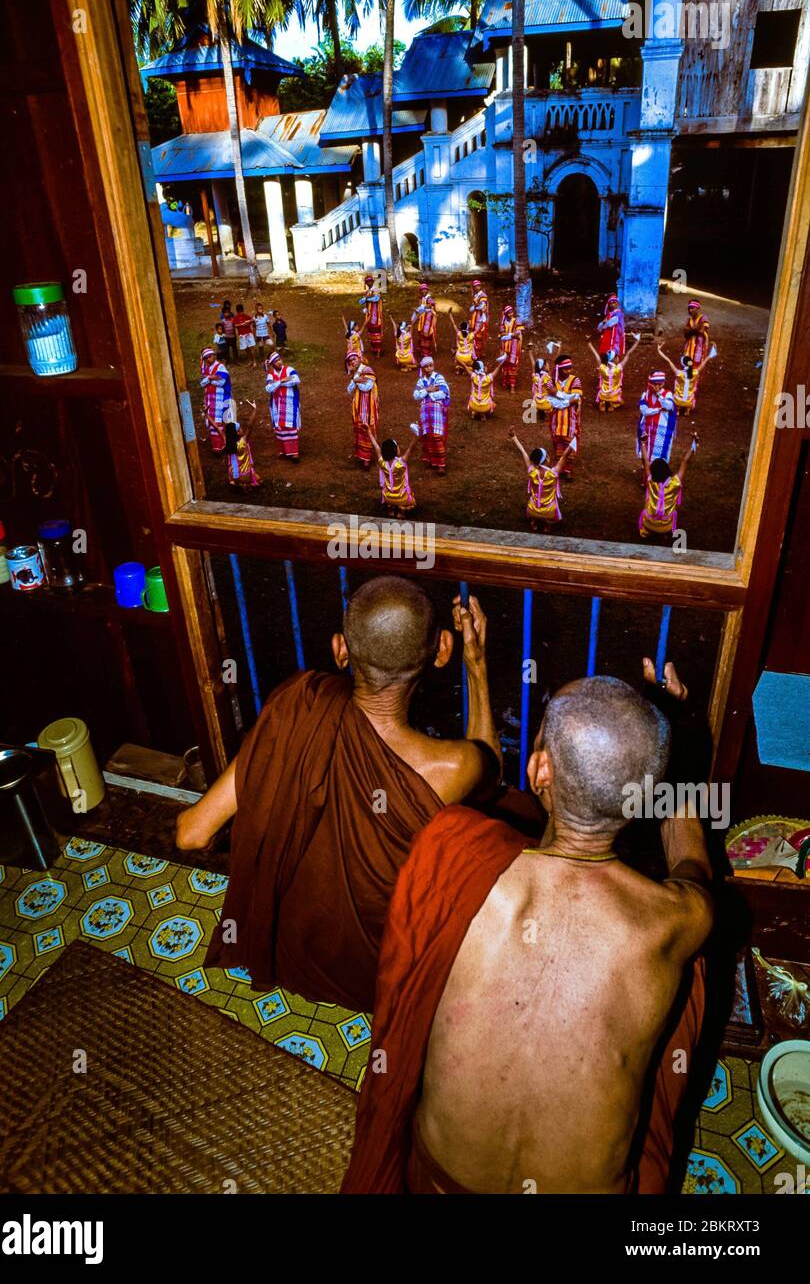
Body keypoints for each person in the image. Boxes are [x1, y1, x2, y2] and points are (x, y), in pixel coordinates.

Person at [341, 667, 712, 1194]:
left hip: (441, 1183)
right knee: (693, 969)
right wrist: (674, 733)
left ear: (540, 769)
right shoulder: (676, 920)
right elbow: (691, 861)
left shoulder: (453, 851)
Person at [178, 579, 502, 1013]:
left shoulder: (300, 707)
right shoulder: (453, 768)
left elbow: (192, 835)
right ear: (443, 650)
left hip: (288, 956)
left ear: (340, 650)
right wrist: (477, 667)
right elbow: (491, 774)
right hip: (377, 981)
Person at [507, 430, 571, 531]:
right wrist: (572, 444)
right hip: (550, 512)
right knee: (552, 508)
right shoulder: (553, 473)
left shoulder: (531, 471)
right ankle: (547, 525)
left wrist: (514, 437)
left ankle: (534, 521)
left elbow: (522, 452)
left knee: (534, 504)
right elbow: (564, 456)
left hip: (532, 509)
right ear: (546, 459)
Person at [639, 438, 696, 540]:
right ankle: (664, 532)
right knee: (670, 515)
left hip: (648, 523)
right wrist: (694, 444)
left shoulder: (651, 481)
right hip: (667, 527)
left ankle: (650, 532)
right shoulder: (675, 483)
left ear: (653, 471)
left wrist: (643, 444)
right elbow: (685, 462)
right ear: (667, 469)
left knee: (647, 503)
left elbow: (646, 461)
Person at [367, 428, 418, 516]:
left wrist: (368, 432)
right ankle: (401, 512)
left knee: (390, 495)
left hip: (388, 497)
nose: (399, 447)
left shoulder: (382, 463)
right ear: (395, 450)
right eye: (397, 446)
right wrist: (417, 435)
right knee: (411, 498)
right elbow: (411, 448)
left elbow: (376, 447)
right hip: (402, 497)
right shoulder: (401, 463)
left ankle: (390, 509)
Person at [413, 357, 451, 474]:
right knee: (427, 436)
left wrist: (426, 392)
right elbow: (416, 395)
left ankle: (441, 464)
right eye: (426, 366)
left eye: (431, 365)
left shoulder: (439, 377)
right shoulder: (420, 380)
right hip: (425, 411)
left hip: (436, 411)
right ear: (423, 368)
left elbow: (444, 393)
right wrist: (430, 390)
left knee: (436, 436)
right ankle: (431, 460)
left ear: (433, 366)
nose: (429, 368)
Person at [657, 343, 717, 415]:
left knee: (676, 396)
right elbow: (703, 363)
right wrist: (710, 355)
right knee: (691, 396)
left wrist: (659, 350)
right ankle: (687, 410)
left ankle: (678, 410)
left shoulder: (679, 373)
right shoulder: (695, 373)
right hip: (689, 401)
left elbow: (668, 361)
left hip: (678, 401)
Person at [548, 356, 582, 478]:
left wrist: (557, 394)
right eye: (566, 369)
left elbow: (577, 398)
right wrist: (567, 399)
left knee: (569, 440)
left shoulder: (575, 380)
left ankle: (567, 469)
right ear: (559, 369)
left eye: (570, 368)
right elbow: (551, 401)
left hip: (571, 418)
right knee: (558, 441)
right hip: (556, 418)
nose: (569, 371)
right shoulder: (551, 381)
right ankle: (560, 467)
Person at [587, 333, 640, 411]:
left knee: (603, 393)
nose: (618, 358)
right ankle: (612, 403)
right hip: (614, 394)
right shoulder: (618, 369)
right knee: (619, 399)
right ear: (615, 359)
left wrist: (589, 343)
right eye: (617, 357)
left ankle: (603, 402)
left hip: (603, 394)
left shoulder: (602, 368)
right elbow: (628, 354)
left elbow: (596, 356)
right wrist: (637, 341)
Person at [637, 370, 677, 472]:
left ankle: (656, 476)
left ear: (662, 384)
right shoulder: (645, 394)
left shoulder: (667, 394)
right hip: (646, 428)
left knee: (659, 455)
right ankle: (645, 477)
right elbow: (644, 411)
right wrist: (658, 410)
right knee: (645, 452)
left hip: (661, 431)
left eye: (657, 384)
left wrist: (659, 395)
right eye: (654, 384)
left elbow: (668, 406)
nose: (654, 387)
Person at [265, 351, 301, 459]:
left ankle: (294, 452)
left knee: (290, 425)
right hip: (277, 404)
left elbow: (296, 380)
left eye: (279, 359)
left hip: (290, 402)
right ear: (272, 364)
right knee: (280, 426)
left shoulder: (289, 369)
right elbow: (268, 388)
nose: (279, 362)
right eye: (276, 361)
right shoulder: (271, 374)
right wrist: (282, 381)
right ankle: (284, 450)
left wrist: (277, 383)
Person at [347, 361, 380, 469]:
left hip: (368, 408)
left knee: (367, 429)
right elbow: (349, 389)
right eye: (350, 360)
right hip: (359, 407)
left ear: (360, 359)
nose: (353, 362)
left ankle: (367, 459)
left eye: (354, 358)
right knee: (359, 429)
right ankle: (362, 456)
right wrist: (356, 378)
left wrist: (356, 379)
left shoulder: (368, 370)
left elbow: (367, 387)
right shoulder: (357, 374)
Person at [199, 345, 231, 453]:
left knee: (218, 421)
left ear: (214, 356)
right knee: (212, 420)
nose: (209, 359)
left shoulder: (220, 367)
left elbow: (221, 382)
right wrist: (210, 378)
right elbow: (202, 383)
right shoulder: (208, 369)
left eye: (210, 356)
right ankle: (217, 445)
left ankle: (221, 445)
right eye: (206, 358)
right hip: (210, 398)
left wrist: (209, 379)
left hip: (220, 397)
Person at [224, 401, 261, 489]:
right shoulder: (243, 441)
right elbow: (250, 426)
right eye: (239, 429)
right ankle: (244, 484)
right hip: (244, 475)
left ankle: (234, 482)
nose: (242, 430)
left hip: (233, 474)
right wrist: (255, 410)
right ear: (236, 433)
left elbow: (217, 428)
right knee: (259, 480)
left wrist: (207, 415)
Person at [682, 300, 711, 376]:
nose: (690, 310)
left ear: (697, 308)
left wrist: (690, 330)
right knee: (688, 364)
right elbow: (685, 334)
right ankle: (689, 380)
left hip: (699, 346)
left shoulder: (704, 317)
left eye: (692, 308)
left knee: (697, 365)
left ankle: (694, 383)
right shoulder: (689, 320)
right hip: (689, 346)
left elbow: (701, 331)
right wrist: (696, 328)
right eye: (689, 308)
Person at [360, 273, 384, 360]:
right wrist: (367, 298)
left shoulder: (377, 290)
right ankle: (374, 348)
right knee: (371, 331)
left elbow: (376, 299)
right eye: (367, 282)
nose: (369, 283)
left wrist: (366, 298)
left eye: (370, 281)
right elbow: (360, 301)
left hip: (376, 315)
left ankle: (378, 350)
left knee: (376, 330)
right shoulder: (368, 292)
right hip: (369, 314)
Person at [597, 294, 626, 362]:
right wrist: (604, 323)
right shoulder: (609, 314)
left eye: (614, 302)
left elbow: (610, 323)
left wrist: (604, 323)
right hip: (607, 338)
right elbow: (599, 328)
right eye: (610, 303)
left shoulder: (619, 314)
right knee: (605, 358)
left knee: (613, 357)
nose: (612, 304)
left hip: (615, 339)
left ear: (617, 304)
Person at [411, 285, 437, 360]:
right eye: (422, 290)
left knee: (426, 333)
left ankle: (426, 352)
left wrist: (424, 307)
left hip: (428, 318)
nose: (423, 291)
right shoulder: (423, 299)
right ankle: (422, 349)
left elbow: (432, 305)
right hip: (423, 318)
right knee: (421, 332)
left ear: (427, 290)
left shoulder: (429, 298)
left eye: (424, 290)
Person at [528, 347, 554, 418]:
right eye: (547, 364)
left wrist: (530, 352)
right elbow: (551, 388)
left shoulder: (535, 377)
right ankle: (548, 413)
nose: (549, 366)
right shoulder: (547, 377)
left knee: (537, 395)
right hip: (546, 404)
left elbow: (533, 365)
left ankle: (540, 412)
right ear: (544, 366)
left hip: (536, 403)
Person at [468, 280, 489, 361]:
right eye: (475, 286)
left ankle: (478, 353)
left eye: (478, 286)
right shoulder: (475, 296)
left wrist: (475, 306)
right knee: (474, 334)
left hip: (480, 318)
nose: (476, 288)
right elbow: (473, 308)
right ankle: (475, 351)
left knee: (478, 335)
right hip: (475, 317)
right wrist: (475, 306)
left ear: (480, 286)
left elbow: (481, 307)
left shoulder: (483, 295)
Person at [234, 301, 255, 367]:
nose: (241, 313)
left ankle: (254, 361)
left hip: (248, 333)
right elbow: (235, 325)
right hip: (242, 335)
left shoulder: (245, 316)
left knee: (251, 347)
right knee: (246, 349)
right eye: (240, 311)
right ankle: (250, 360)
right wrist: (241, 324)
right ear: (237, 311)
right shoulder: (236, 317)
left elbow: (252, 320)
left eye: (242, 311)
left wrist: (248, 322)